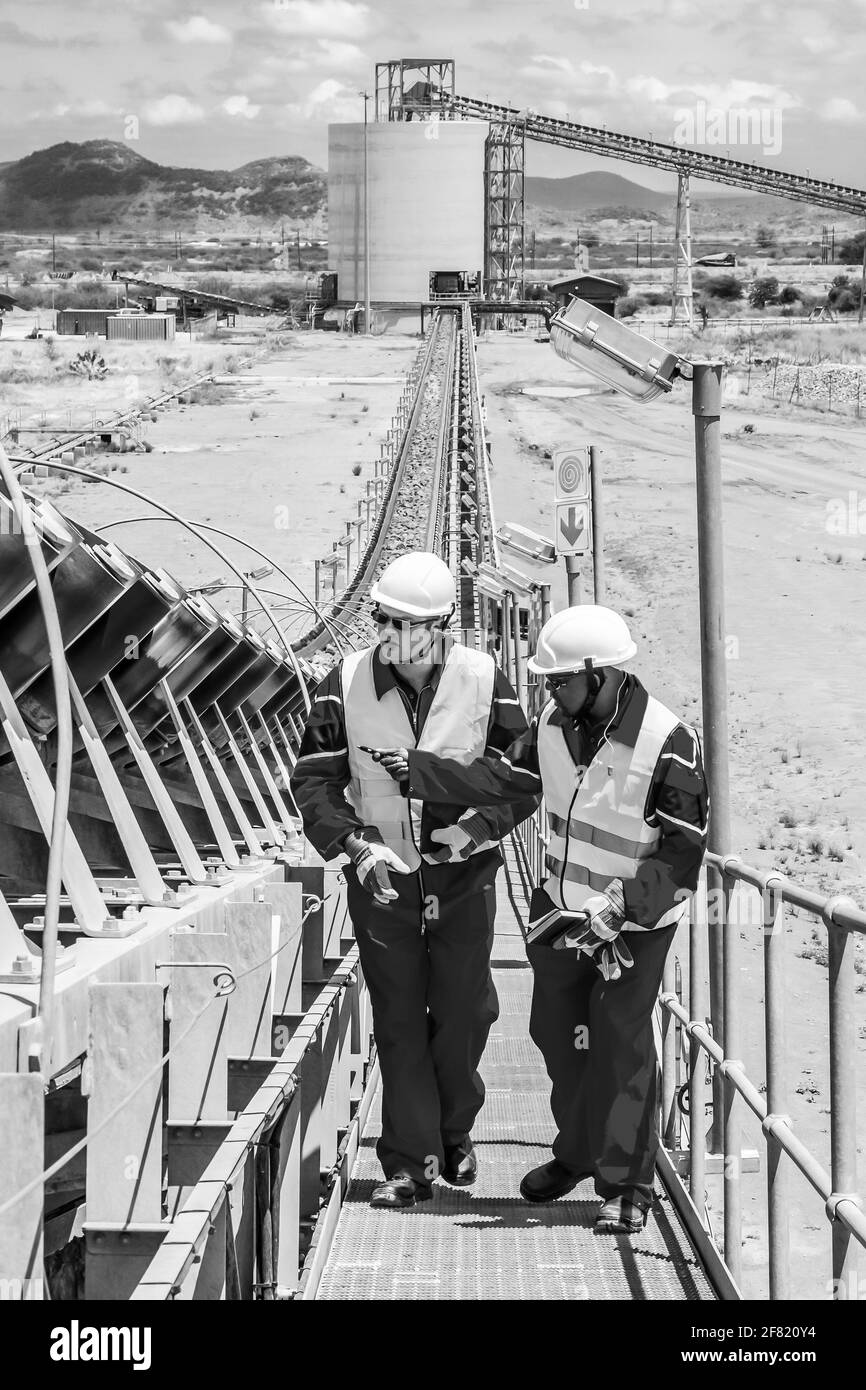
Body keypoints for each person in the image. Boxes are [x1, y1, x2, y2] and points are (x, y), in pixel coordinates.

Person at [372, 604, 708, 1234]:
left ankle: (624, 1184)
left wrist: (623, 906)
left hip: (632, 925)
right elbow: (506, 780)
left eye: (559, 680)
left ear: (601, 675)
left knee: (620, 1046)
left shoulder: (670, 742)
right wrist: (421, 773)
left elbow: (685, 851)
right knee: (559, 1036)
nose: (549, 691)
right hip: (559, 915)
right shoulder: (556, 722)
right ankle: (578, 1153)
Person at [290, 551, 538, 1209]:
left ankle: (452, 1132)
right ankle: (411, 1164)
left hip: (464, 877)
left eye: (419, 624)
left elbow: (524, 780)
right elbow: (313, 778)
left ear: (445, 625)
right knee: (399, 1021)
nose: (404, 636)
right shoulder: (342, 683)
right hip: (383, 882)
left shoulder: (486, 680)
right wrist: (352, 845)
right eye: (393, 622)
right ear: (378, 619)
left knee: (465, 1014)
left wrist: (477, 830)